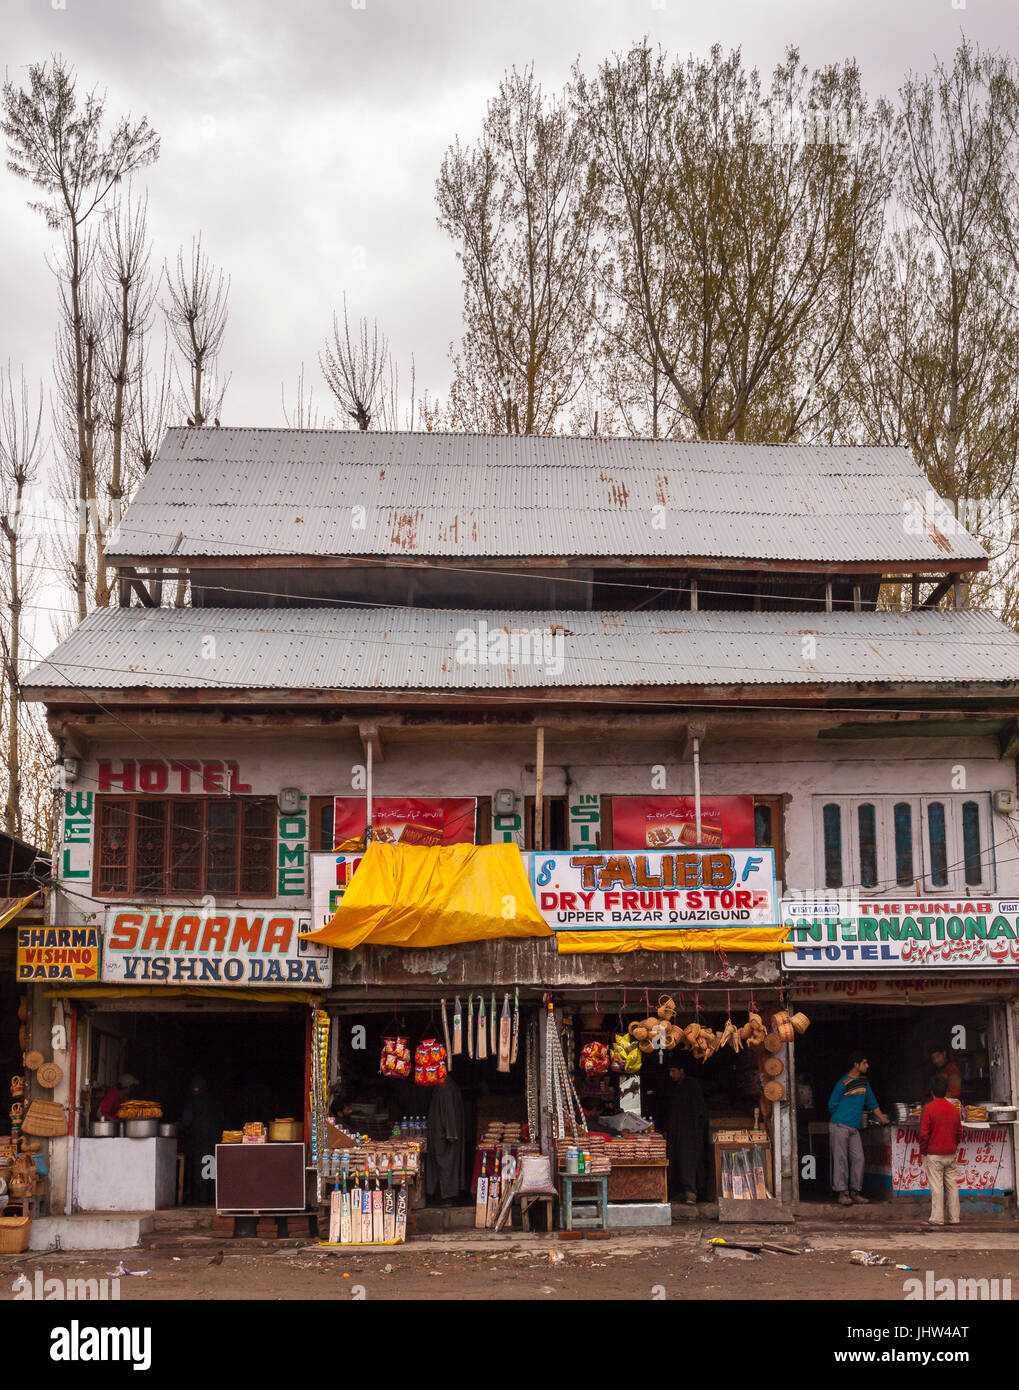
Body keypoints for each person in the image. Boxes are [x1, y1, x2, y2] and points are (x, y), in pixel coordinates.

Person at [828, 1052, 888, 1207]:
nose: (867, 1066)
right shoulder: (844, 1082)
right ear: (856, 1065)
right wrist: (844, 1115)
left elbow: (872, 1103)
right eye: (865, 1062)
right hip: (840, 1125)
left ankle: (855, 1192)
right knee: (841, 1160)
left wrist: (883, 1118)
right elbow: (831, 1105)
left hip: (854, 1128)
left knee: (859, 1159)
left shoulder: (864, 1083)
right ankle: (842, 1193)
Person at [919, 1074, 963, 1228]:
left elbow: (924, 1134)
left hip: (934, 1153)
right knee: (952, 1185)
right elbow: (959, 1132)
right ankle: (954, 1218)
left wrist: (923, 1151)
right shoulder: (953, 1109)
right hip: (950, 1152)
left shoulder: (929, 1108)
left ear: (931, 1091)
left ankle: (937, 1218)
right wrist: (954, 1145)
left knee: (936, 1186)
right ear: (946, 1090)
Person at [666, 1064, 708, 1204]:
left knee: (689, 1162)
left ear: (682, 1070)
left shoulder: (691, 1085)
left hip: (691, 1133)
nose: (671, 1075)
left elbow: (698, 1111)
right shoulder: (679, 1087)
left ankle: (692, 1193)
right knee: (680, 1161)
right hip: (680, 1132)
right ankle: (682, 1191)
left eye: (673, 1071)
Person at [180, 1075, 226, 1205]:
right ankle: (214, 1197)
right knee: (213, 1168)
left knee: (202, 1169)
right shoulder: (215, 1102)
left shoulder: (192, 1102)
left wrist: (180, 1126)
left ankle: (202, 1199)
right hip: (216, 1140)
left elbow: (186, 1121)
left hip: (200, 1140)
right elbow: (222, 1118)